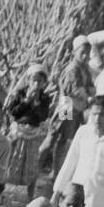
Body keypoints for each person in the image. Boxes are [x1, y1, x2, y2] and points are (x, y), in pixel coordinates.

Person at [42, 36, 97, 179]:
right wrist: (88, 95)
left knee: (63, 139)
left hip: (75, 106)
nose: (85, 56)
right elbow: (75, 89)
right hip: (66, 105)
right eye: (82, 52)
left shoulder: (84, 68)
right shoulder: (72, 69)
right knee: (54, 137)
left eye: (87, 53)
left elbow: (90, 85)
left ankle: (54, 170)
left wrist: (90, 91)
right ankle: (39, 163)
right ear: (74, 52)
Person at [4, 64, 53, 199]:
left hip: (33, 133)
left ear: (44, 83)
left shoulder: (44, 98)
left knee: (31, 165)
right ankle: (1, 190)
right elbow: (13, 111)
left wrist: (36, 102)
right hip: (18, 131)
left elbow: (43, 116)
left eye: (40, 81)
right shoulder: (20, 93)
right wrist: (26, 100)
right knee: (10, 161)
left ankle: (30, 197)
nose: (36, 84)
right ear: (28, 80)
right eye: (34, 80)